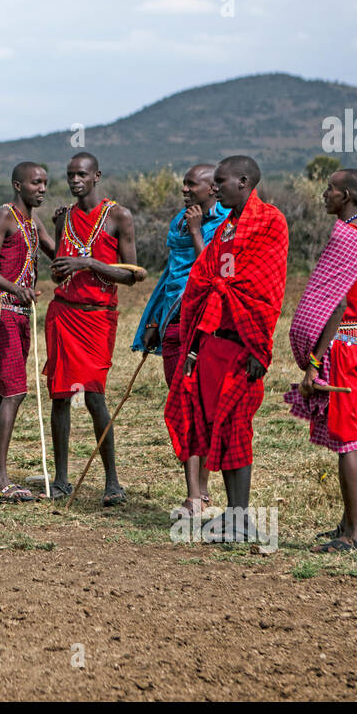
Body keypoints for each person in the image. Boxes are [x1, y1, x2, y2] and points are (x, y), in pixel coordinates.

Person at [164, 155, 288, 543]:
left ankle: (239, 519)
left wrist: (258, 347)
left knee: (237, 428)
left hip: (243, 345)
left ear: (245, 181)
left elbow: (267, 292)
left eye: (221, 181)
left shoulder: (269, 222)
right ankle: (235, 516)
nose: (215, 187)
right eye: (213, 181)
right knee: (216, 425)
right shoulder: (227, 227)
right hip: (214, 343)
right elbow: (206, 273)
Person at [285, 169, 357, 553]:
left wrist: (314, 361)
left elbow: (336, 303)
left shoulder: (344, 236)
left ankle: (356, 534)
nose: (324, 194)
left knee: (347, 439)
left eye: (330, 189)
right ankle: (348, 522)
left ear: (345, 195)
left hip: (346, 344)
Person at [43, 153, 143, 505]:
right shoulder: (64, 218)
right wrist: (62, 271)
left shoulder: (119, 217)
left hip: (98, 317)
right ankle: (60, 479)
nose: (75, 180)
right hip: (64, 314)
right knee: (60, 395)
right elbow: (58, 266)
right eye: (70, 175)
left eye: (82, 174)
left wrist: (86, 263)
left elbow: (131, 274)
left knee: (95, 396)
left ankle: (112, 482)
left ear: (97, 176)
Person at [131, 164, 229, 517]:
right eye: (184, 184)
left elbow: (213, 272)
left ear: (212, 189)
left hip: (207, 326)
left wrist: (196, 229)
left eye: (192, 184)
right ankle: (193, 492)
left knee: (204, 409)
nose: (185, 190)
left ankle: (200, 493)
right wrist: (155, 317)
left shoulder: (226, 225)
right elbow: (173, 274)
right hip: (174, 323)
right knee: (183, 405)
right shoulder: (178, 223)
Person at [0, 162, 57, 501]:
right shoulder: (4, 216)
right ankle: (0, 479)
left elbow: (58, 255)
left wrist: (64, 224)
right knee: (13, 392)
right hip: (1, 310)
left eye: (44, 183)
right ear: (17, 185)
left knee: (9, 392)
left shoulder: (33, 221)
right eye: (35, 183)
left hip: (19, 312)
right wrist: (15, 288)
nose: (41, 188)